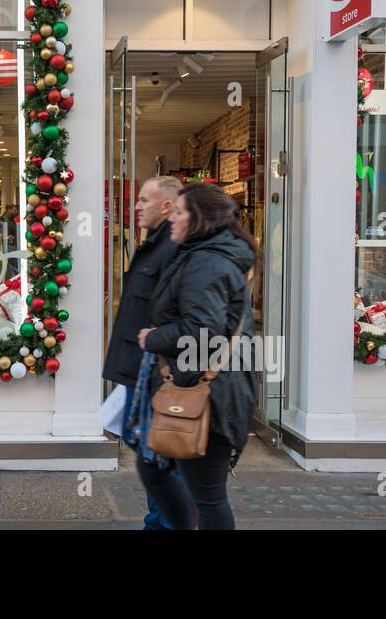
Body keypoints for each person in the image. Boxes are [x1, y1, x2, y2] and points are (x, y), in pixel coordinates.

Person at [135, 183, 258, 530]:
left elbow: (202, 331)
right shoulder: (206, 255)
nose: (171, 216)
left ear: (199, 217)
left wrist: (154, 337)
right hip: (214, 390)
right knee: (179, 482)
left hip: (210, 396)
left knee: (206, 497)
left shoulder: (207, 261)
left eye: (179, 211)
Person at [103, 176, 183, 530]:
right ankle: (160, 521)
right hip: (144, 370)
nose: (136, 206)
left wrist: (156, 346)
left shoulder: (173, 248)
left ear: (166, 206)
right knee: (152, 458)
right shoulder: (156, 244)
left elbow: (180, 317)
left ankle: (163, 524)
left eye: (142, 200)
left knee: (160, 460)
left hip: (159, 375)